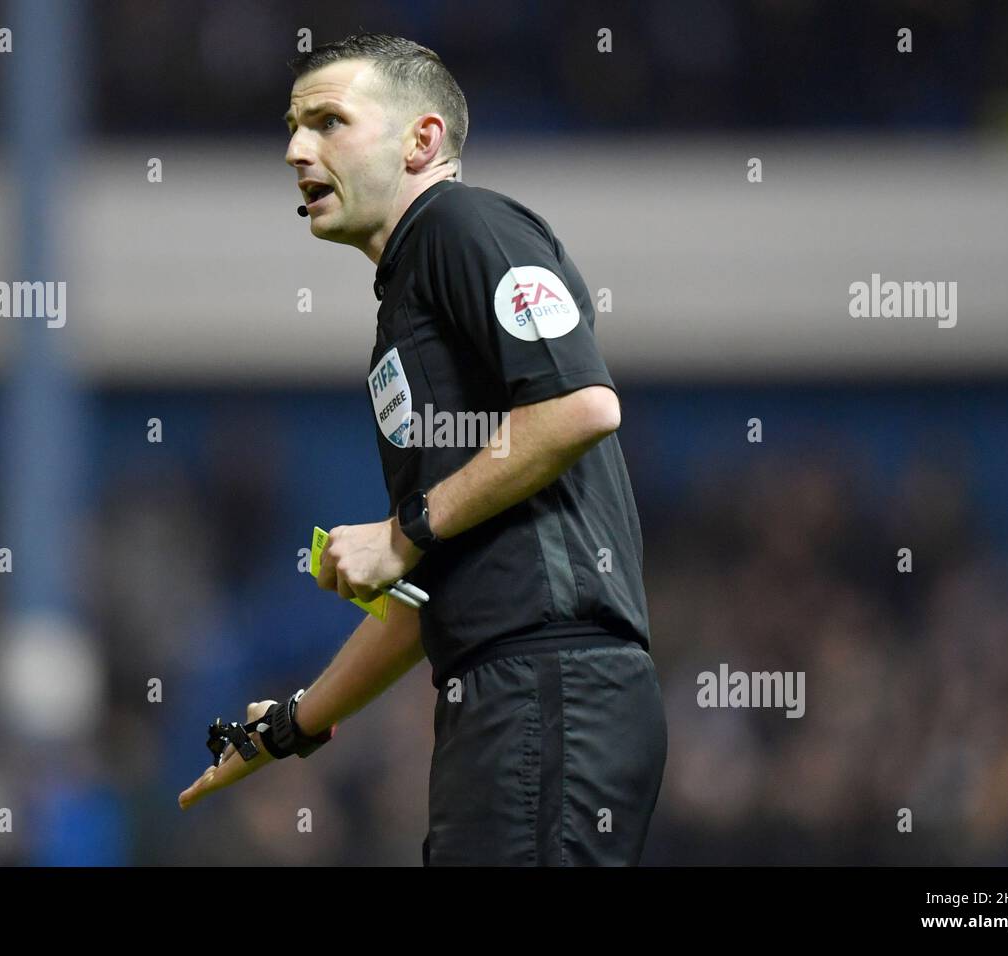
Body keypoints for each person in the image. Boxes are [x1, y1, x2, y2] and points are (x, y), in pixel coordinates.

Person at [179, 33, 666, 866]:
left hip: (550, 685)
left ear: (422, 141)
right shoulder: (406, 310)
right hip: (502, 695)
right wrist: (294, 724)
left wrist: (403, 531)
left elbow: (581, 405)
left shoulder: (464, 224)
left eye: (329, 122)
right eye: (294, 128)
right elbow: (426, 601)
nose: (297, 149)